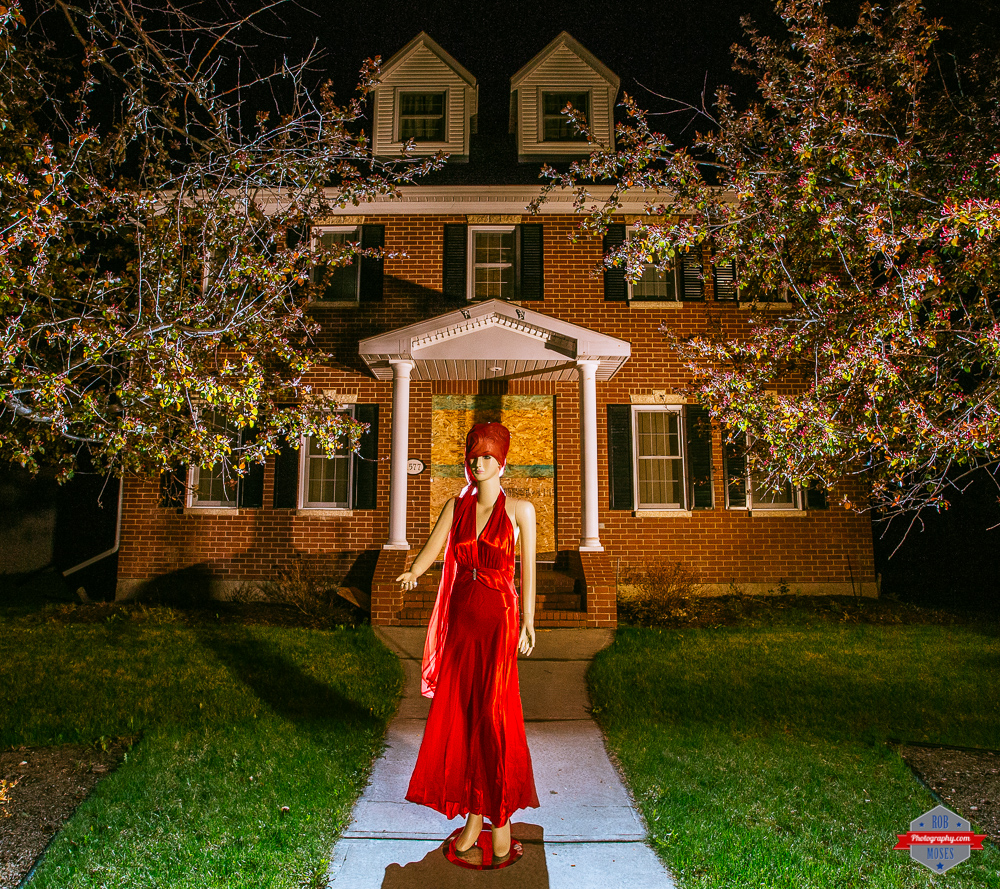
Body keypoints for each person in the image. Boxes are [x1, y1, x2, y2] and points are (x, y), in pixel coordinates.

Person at [397, 422, 539, 860]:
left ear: (503, 462)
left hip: (498, 618)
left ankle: (500, 816)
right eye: (474, 457)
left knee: (493, 716)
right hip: (462, 618)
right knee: (463, 714)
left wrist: (529, 622)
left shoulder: (520, 510)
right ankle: (474, 816)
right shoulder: (455, 507)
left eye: (488, 458)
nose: (479, 464)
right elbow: (434, 547)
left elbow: (527, 572)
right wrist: (415, 572)